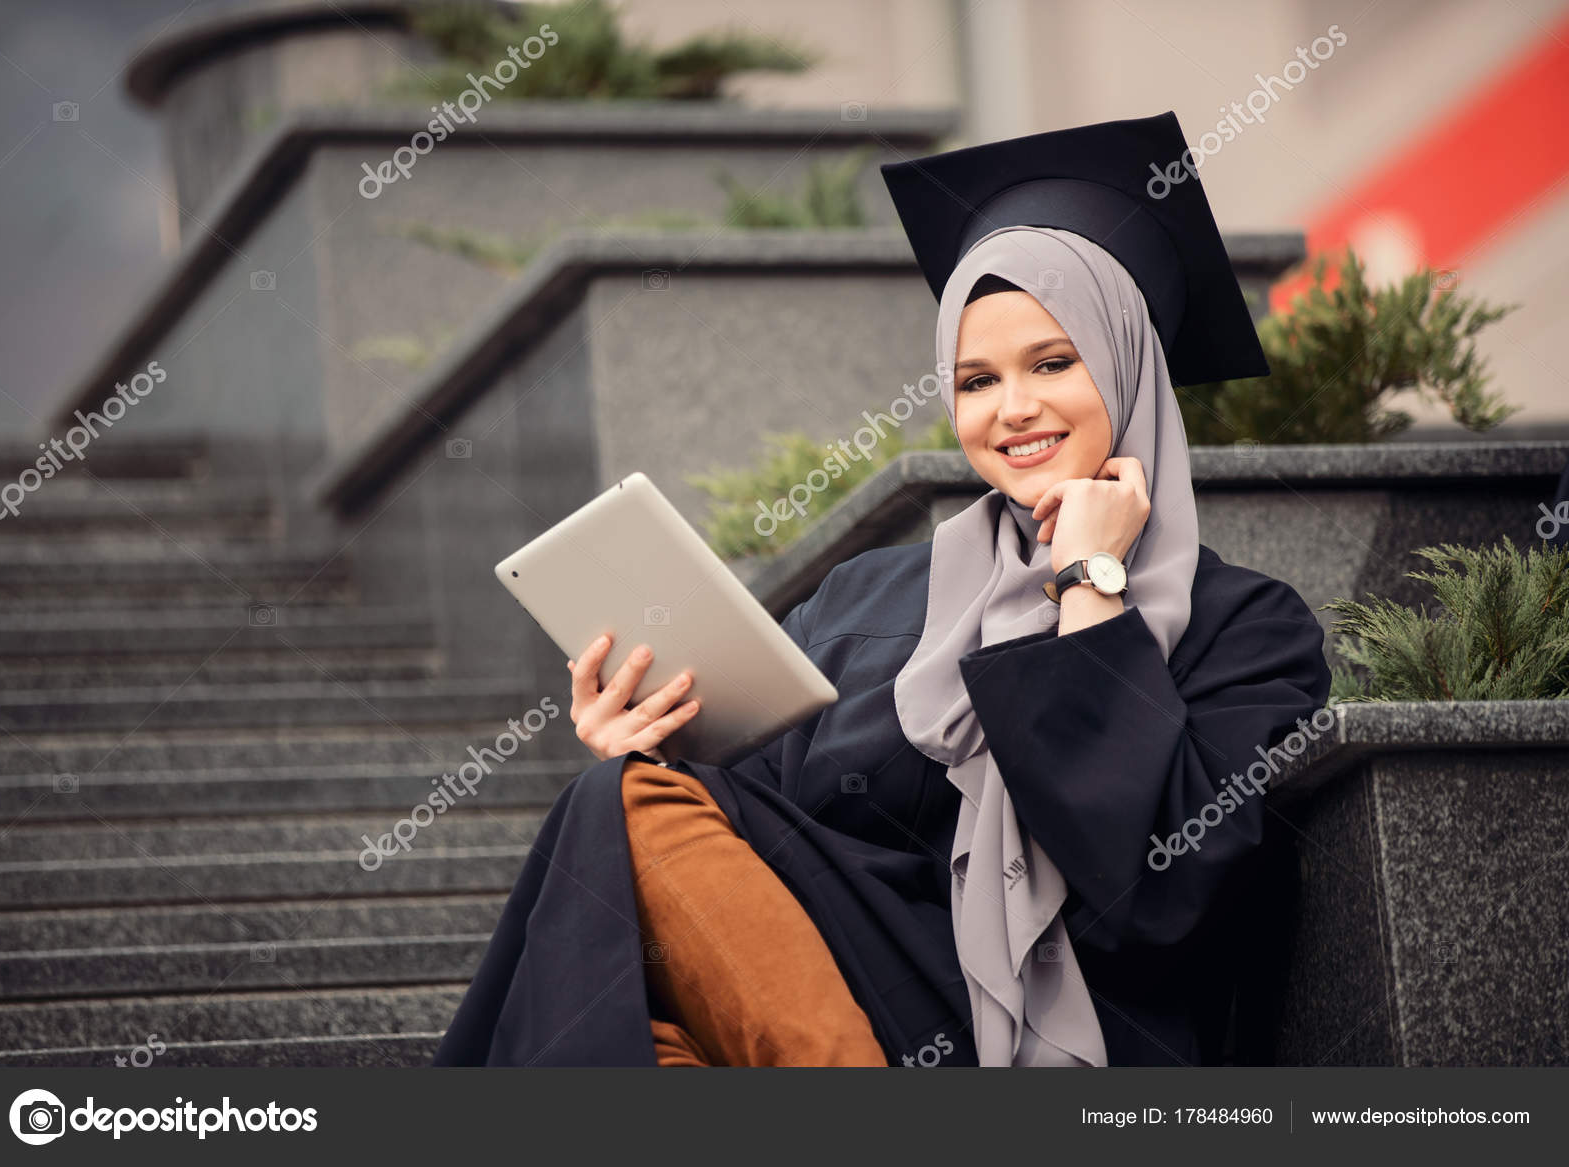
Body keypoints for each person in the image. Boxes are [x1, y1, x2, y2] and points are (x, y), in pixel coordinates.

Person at [431, 112, 1331, 1068]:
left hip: (1085, 1036)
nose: (1013, 408)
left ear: (1129, 367)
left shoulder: (1247, 630)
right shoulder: (870, 601)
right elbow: (741, 844)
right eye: (977, 379)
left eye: (1055, 362)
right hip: (847, 1000)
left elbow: (1155, 904)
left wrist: (1089, 585)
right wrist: (651, 748)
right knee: (622, 930)